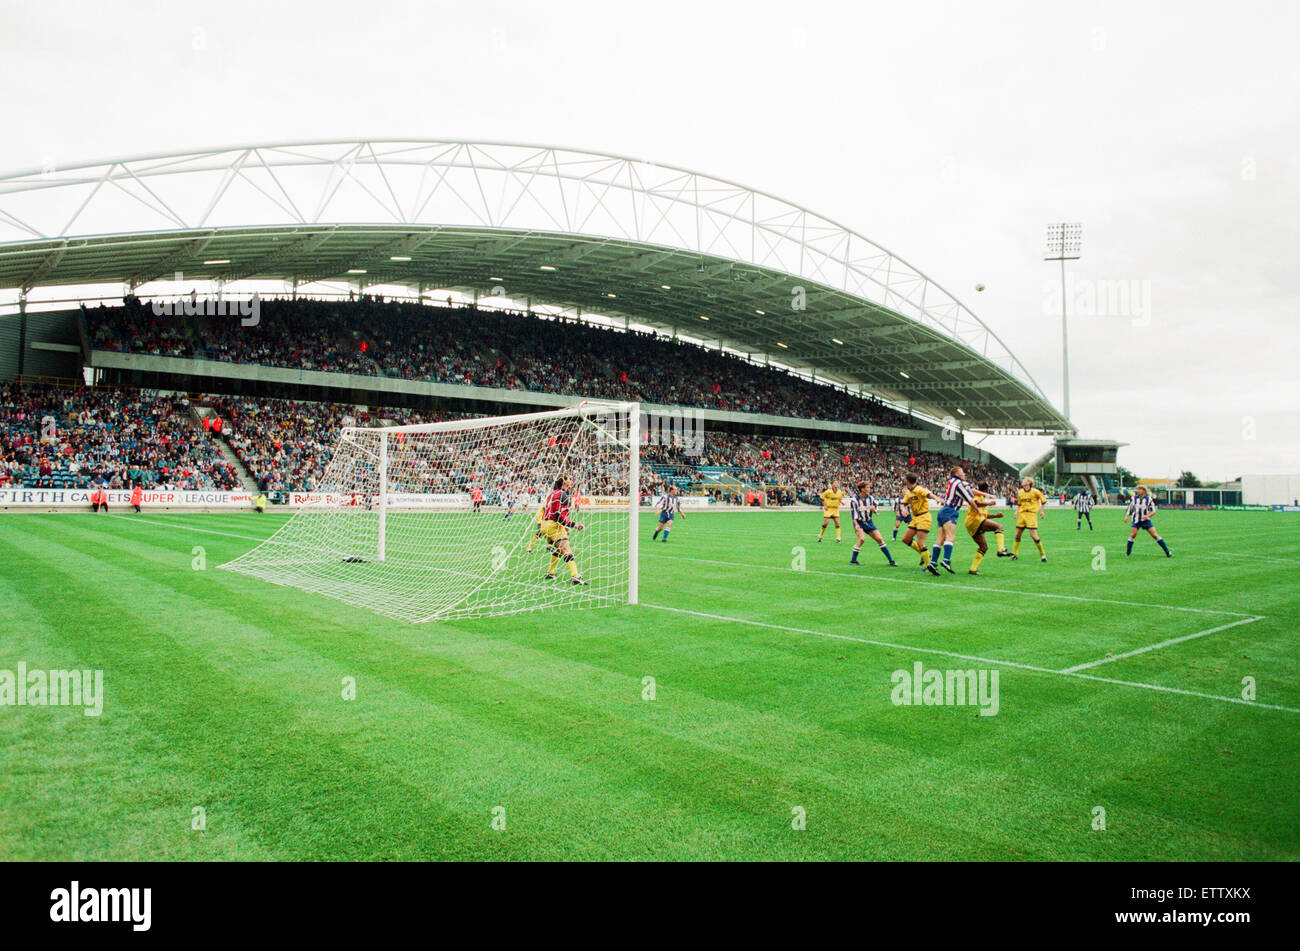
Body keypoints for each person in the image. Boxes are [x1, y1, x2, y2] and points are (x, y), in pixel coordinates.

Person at [928, 466, 996, 576]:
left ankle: (933, 563)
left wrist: (986, 495)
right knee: (951, 537)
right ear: (957, 473)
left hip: (943, 511)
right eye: (962, 472)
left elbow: (970, 490)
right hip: (950, 511)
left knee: (940, 538)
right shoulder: (960, 483)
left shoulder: (953, 481)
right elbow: (970, 499)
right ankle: (946, 560)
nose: (964, 474)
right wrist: (978, 510)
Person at [539, 475, 588, 584]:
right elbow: (559, 517)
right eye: (569, 479)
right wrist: (574, 525)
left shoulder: (552, 494)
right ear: (564, 482)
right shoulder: (563, 495)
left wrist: (564, 526)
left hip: (544, 525)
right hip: (553, 526)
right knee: (566, 550)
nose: (571, 481)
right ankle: (575, 576)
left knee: (558, 550)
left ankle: (550, 572)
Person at [964, 481, 1009, 574]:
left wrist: (996, 516)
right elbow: (976, 503)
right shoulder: (978, 497)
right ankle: (1001, 549)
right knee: (999, 527)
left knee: (983, 547)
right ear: (986, 489)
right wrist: (989, 504)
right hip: (975, 520)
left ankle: (973, 569)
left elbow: (984, 515)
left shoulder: (981, 498)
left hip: (971, 524)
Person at [849, 481, 896, 566]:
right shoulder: (854, 500)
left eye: (869, 487)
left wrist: (874, 510)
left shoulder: (870, 498)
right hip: (859, 522)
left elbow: (876, 509)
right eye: (867, 487)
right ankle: (853, 560)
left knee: (880, 539)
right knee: (862, 539)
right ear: (862, 489)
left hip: (869, 522)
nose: (869, 489)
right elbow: (854, 514)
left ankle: (891, 560)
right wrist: (856, 525)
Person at [899, 473, 933, 569]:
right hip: (915, 518)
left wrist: (937, 498)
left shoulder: (919, 489)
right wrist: (903, 509)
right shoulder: (908, 492)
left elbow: (929, 494)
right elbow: (903, 504)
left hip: (924, 517)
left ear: (907, 481)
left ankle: (928, 566)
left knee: (920, 542)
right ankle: (925, 554)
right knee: (905, 539)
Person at [1125, 485, 1171, 557]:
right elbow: (1129, 508)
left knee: (1155, 535)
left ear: (1144, 491)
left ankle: (1167, 551)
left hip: (1146, 521)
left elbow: (1153, 511)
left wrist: (1147, 516)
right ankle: (1128, 553)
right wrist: (1127, 516)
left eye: (1140, 489)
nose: (1138, 490)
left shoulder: (1148, 499)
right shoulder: (1134, 498)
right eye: (1138, 489)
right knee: (1133, 535)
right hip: (1136, 520)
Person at [1011, 477, 1048, 562]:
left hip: (1031, 515)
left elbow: (1043, 501)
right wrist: (1016, 512)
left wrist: (1042, 511)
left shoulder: (1035, 492)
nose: (1022, 481)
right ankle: (1014, 554)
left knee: (1034, 536)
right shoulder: (1020, 492)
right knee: (1017, 535)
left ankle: (1043, 555)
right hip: (1022, 515)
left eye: (1024, 480)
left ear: (1028, 482)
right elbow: (1019, 504)